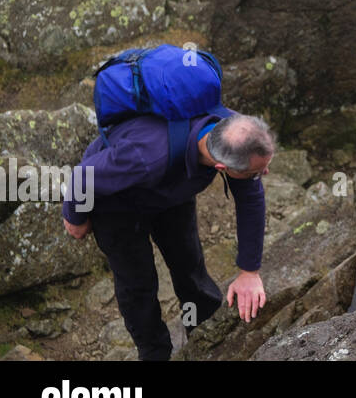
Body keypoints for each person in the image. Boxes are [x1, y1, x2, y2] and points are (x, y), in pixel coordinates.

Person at [62, 111, 275, 360]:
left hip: (172, 194)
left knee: (189, 264)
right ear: (221, 167)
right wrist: (74, 218)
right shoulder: (147, 155)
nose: (265, 173)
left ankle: (204, 330)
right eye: (257, 172)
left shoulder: (236, 135)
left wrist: (249, 271)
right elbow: (83, 175)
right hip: (118, 206)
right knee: (138, 284)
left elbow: (250, 199)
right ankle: (154, 352)